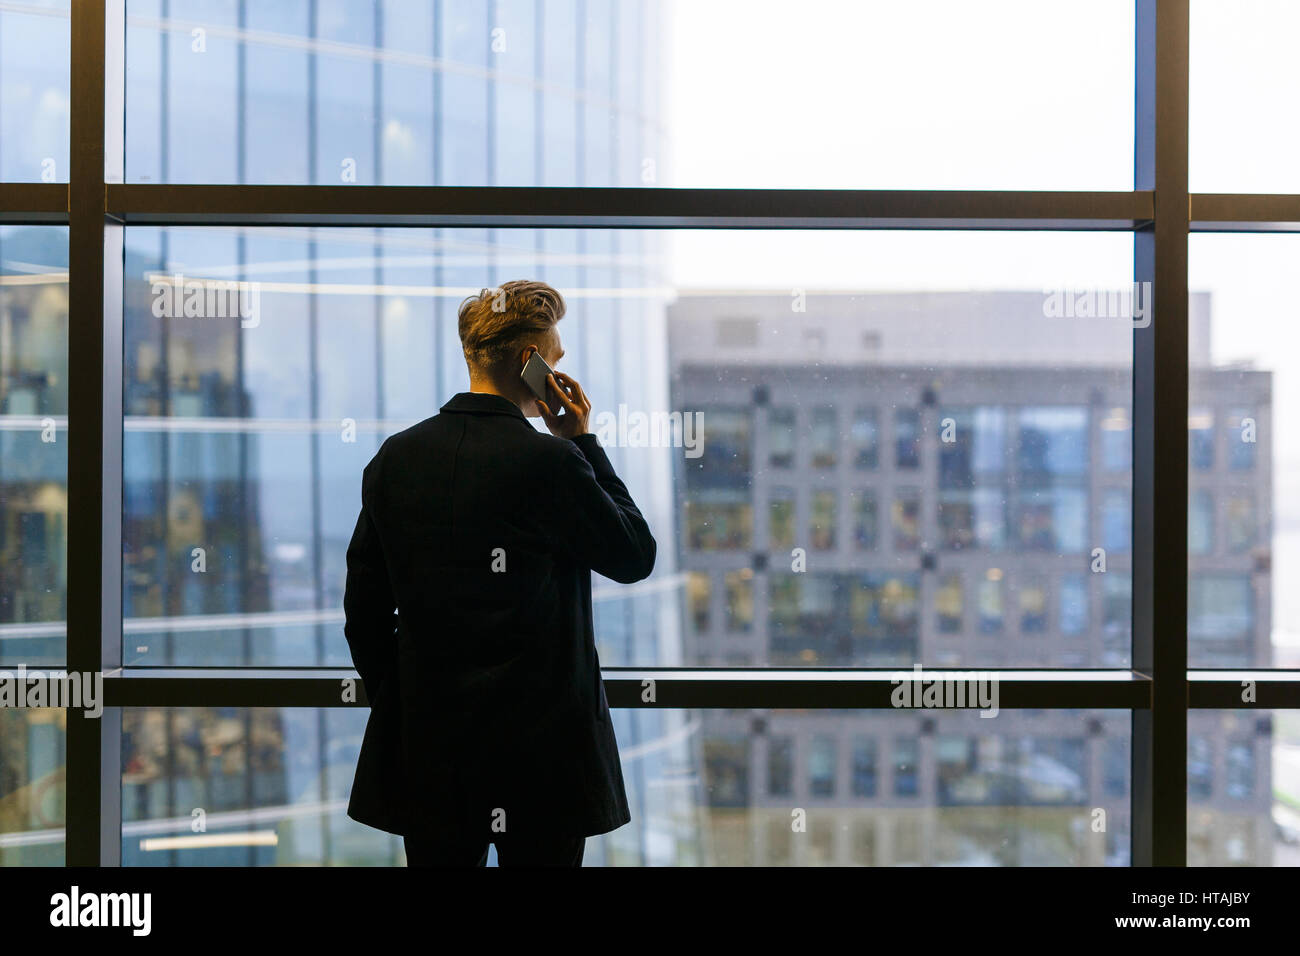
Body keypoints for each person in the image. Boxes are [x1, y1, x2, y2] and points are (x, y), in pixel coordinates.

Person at [342, 279, 656, 867]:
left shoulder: (395, 458)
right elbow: (634, 555)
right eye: (554, 359)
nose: (559, 371)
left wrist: (411, 704)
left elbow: (363, 614)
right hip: (543, 761)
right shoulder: (552, 461)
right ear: (529, 362)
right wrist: (583, 440)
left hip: (431, 755)